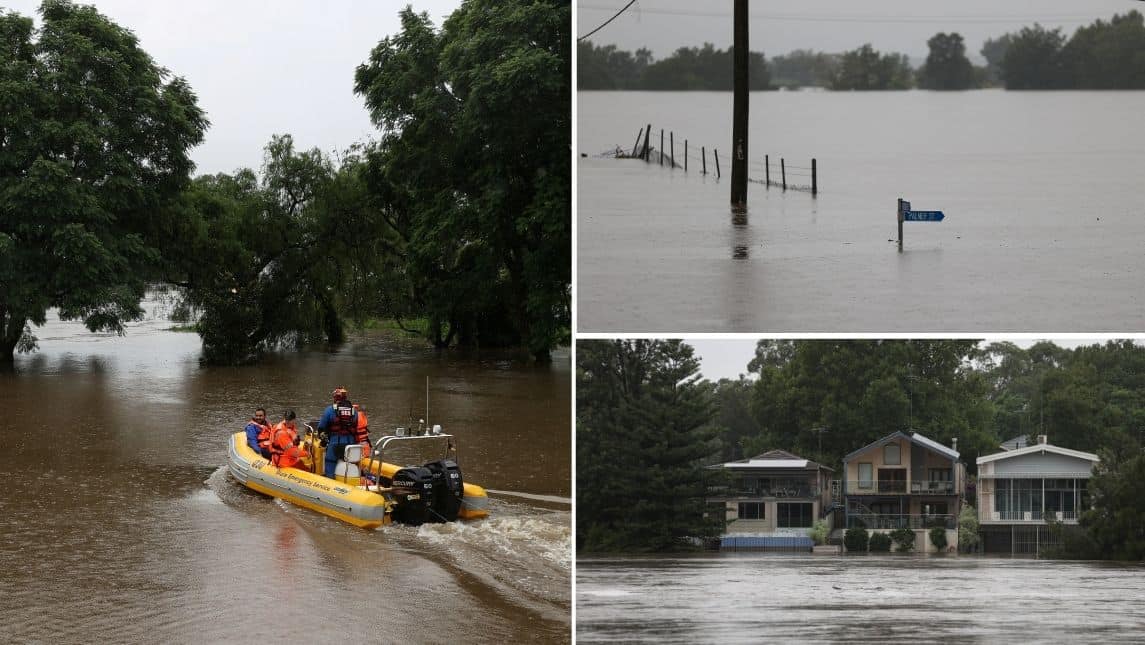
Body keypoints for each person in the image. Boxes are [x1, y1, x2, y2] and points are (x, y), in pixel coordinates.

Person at [317, 387, 358, 478]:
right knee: (349, 466)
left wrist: (323, 440)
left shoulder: (329, 410)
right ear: (345, 397)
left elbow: (321, 428)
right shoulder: (354, 411)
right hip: (351, 444)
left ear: (335, 398)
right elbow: (356, 427)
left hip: (335, 443)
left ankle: (330, 480)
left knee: (330, 462)